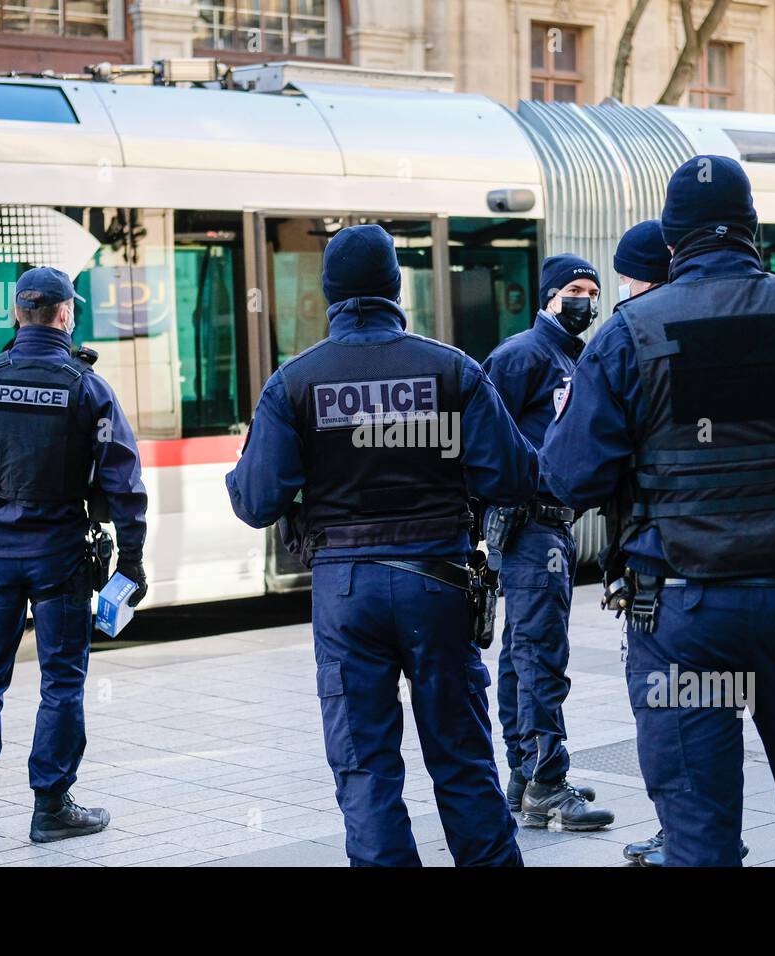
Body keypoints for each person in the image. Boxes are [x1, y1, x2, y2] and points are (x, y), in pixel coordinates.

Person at [540, 155, 775, 866]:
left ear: (672, 242)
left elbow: (571, 479)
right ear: (753, 230)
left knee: (698, 833)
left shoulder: (628, 335)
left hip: (681, 618)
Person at [226, 224, 538, 866]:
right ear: (396, 286)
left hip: (345, 591)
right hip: (440, 582)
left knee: (365, 769)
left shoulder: (295, 383)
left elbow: (256, 502)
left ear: (331, 292)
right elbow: (513, 475)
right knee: (462, 758)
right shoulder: (452, 370)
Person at [0, 267, 148, 843]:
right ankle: (50, 806)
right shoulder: (88, 387)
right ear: (65, 314)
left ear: (16, 316)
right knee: (61, 680)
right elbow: (125, 483)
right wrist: (132, 561)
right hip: (60, 558)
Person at [481, 252, 613, 831]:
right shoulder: (521, 355)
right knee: (539, 652)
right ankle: (546, 783)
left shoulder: (568, 354)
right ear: (551, 296)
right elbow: (484, 438)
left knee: (522, 651)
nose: (586, 299)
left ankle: (524, 772)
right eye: (576, 290)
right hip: (530, 524)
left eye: (593, 289)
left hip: (548, 523)